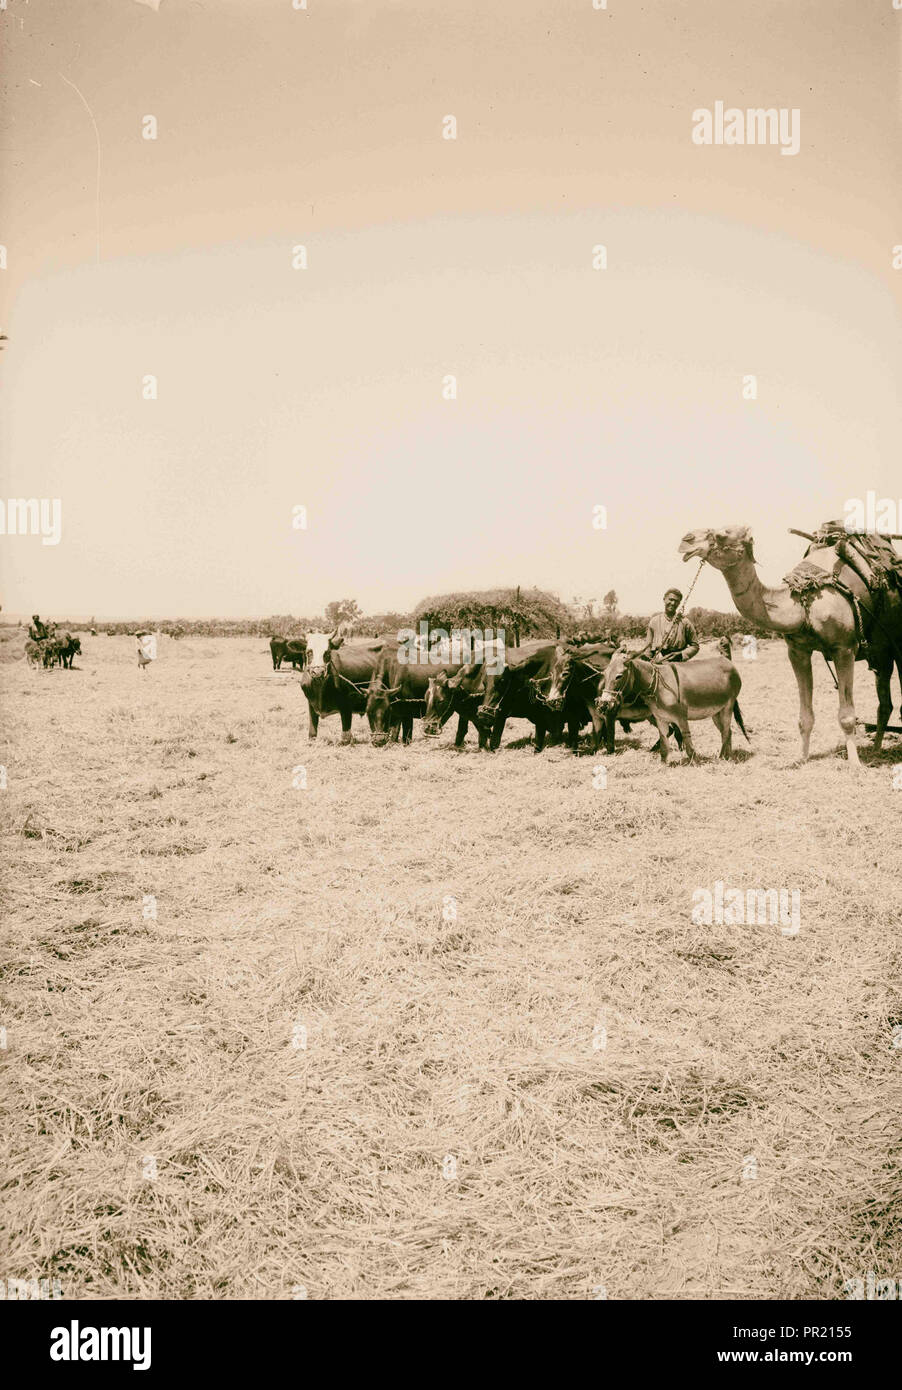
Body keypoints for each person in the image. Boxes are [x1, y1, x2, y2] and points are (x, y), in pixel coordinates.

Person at [638, 588, 699, 663]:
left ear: (679, 603)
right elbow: (648, 648)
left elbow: (695, 646)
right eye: (671, 599)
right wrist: (647, 660)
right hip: (658, 664)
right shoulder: (654, 621)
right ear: (664, 599)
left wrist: (681, 655)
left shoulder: (685, 622)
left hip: (678, 665)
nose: (673, 603)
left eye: (676, 601)